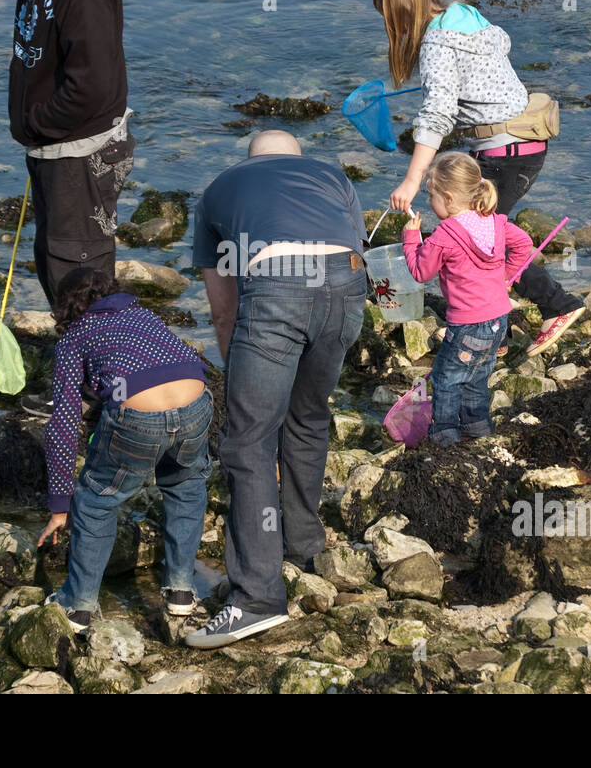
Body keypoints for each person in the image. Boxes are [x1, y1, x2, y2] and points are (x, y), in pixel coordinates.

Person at [184, 130, 368, 649]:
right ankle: (305, 547)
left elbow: (224, 309)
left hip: (279, 282)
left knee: (246, 441)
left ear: (250, 160)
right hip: (349, 283)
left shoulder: (219, 188)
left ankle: (258, 599)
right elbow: (354, 246)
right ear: (297, 159)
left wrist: (238, 371)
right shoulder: (333, 177)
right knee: (308, 416)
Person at [374, 0, 584, 357]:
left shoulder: (436, 42)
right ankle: (498, 335)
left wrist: (412, 180)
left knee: (481, 241)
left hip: (505, 153)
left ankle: (558, 305)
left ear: (400, 12)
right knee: (487, 235)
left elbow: (438, 113)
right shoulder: (464, 14)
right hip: (524, 145)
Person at [0, 0, 134, 416]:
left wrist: (37, 123)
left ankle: (102, 388)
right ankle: (89, 369)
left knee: (81, 270)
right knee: (53, 261)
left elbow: (90, 86)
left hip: (79, 151)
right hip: (52, 149)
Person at [35, 268, 212, 633]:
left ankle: (78, 608)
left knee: (97, 500)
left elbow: (63, 424)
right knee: (186, 486)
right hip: (196, 399)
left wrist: (59, 505)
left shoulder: (75, 338)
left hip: (138, 415)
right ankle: (181, 595)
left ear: (65, 310)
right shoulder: (142, 313)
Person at [404, 153, 531, 445]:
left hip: (467, 324)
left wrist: (411, 240)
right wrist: (506, 277)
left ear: (448, 198)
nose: (430, 202)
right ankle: (478, 429)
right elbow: (524, 244)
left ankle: (445, 436)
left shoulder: (444, 234)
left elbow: (421, 272)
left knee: (446, 379)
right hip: (499, 320)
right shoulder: (495, 222)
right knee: (476, 378)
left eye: (431, 195)